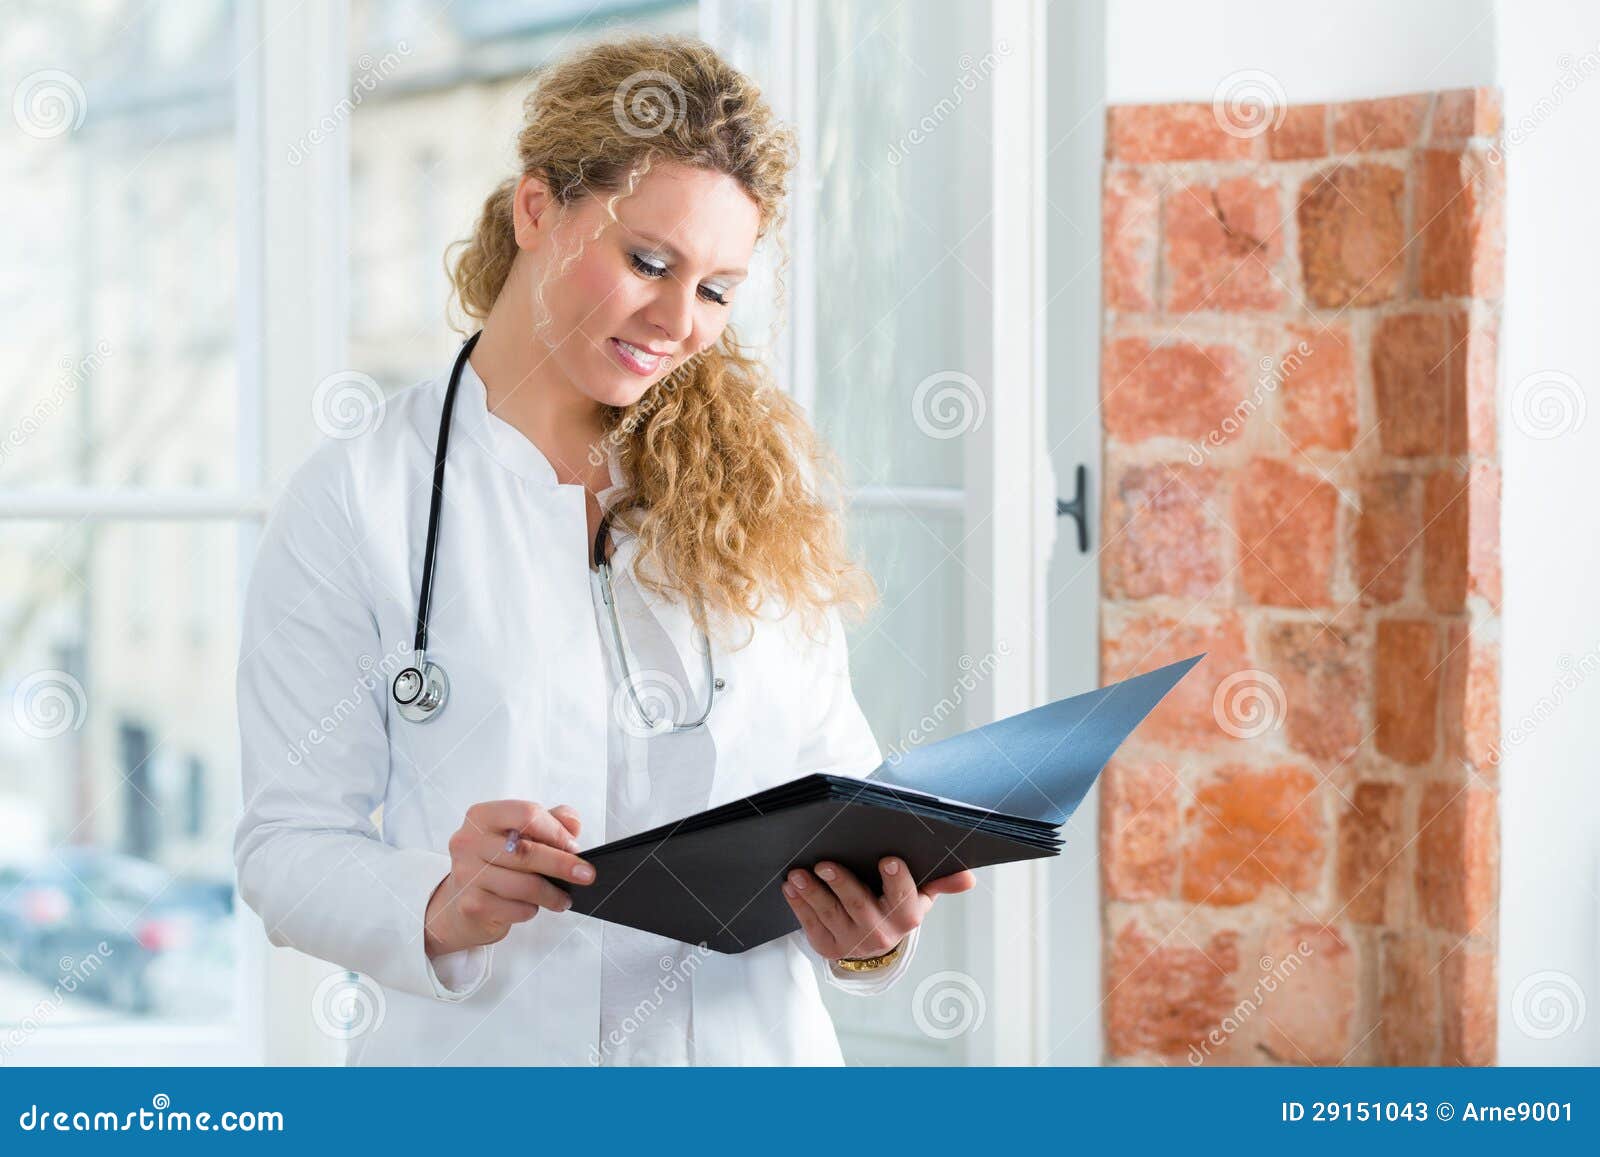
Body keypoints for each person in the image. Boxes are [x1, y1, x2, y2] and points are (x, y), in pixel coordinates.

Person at [234, 32, 974, 1066]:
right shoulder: (360, 496)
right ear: (535, 208)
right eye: (648, 261)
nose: (678, 321)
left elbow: (838, 789)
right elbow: (286, 847)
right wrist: (441, 900)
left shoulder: (755, 494)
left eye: (717, 288)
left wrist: (868, 938)